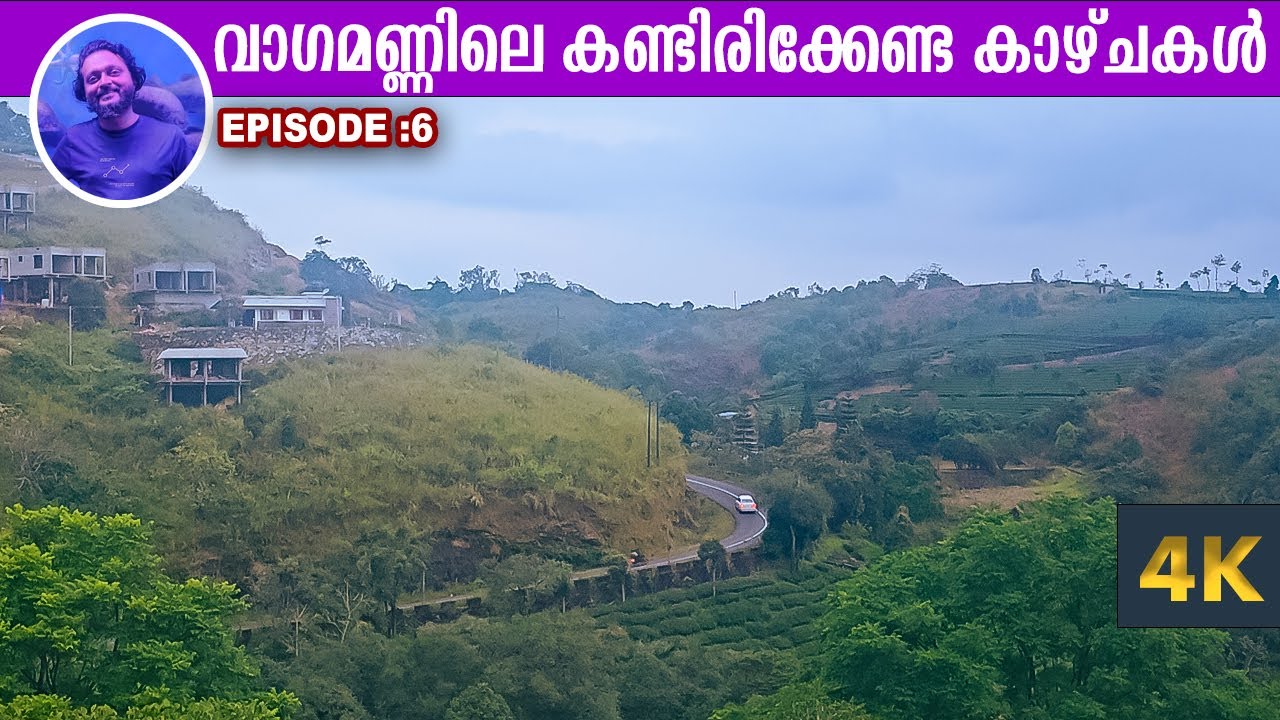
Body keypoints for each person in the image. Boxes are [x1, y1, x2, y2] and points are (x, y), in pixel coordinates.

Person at [50, 39, 193, 200]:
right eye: (93, 79)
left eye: (113, 72)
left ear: (134, 79)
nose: (104, 82)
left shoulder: (172, 138)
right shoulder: (73, 140)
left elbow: (193, 199)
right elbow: (47, 190)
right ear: (84, 92)